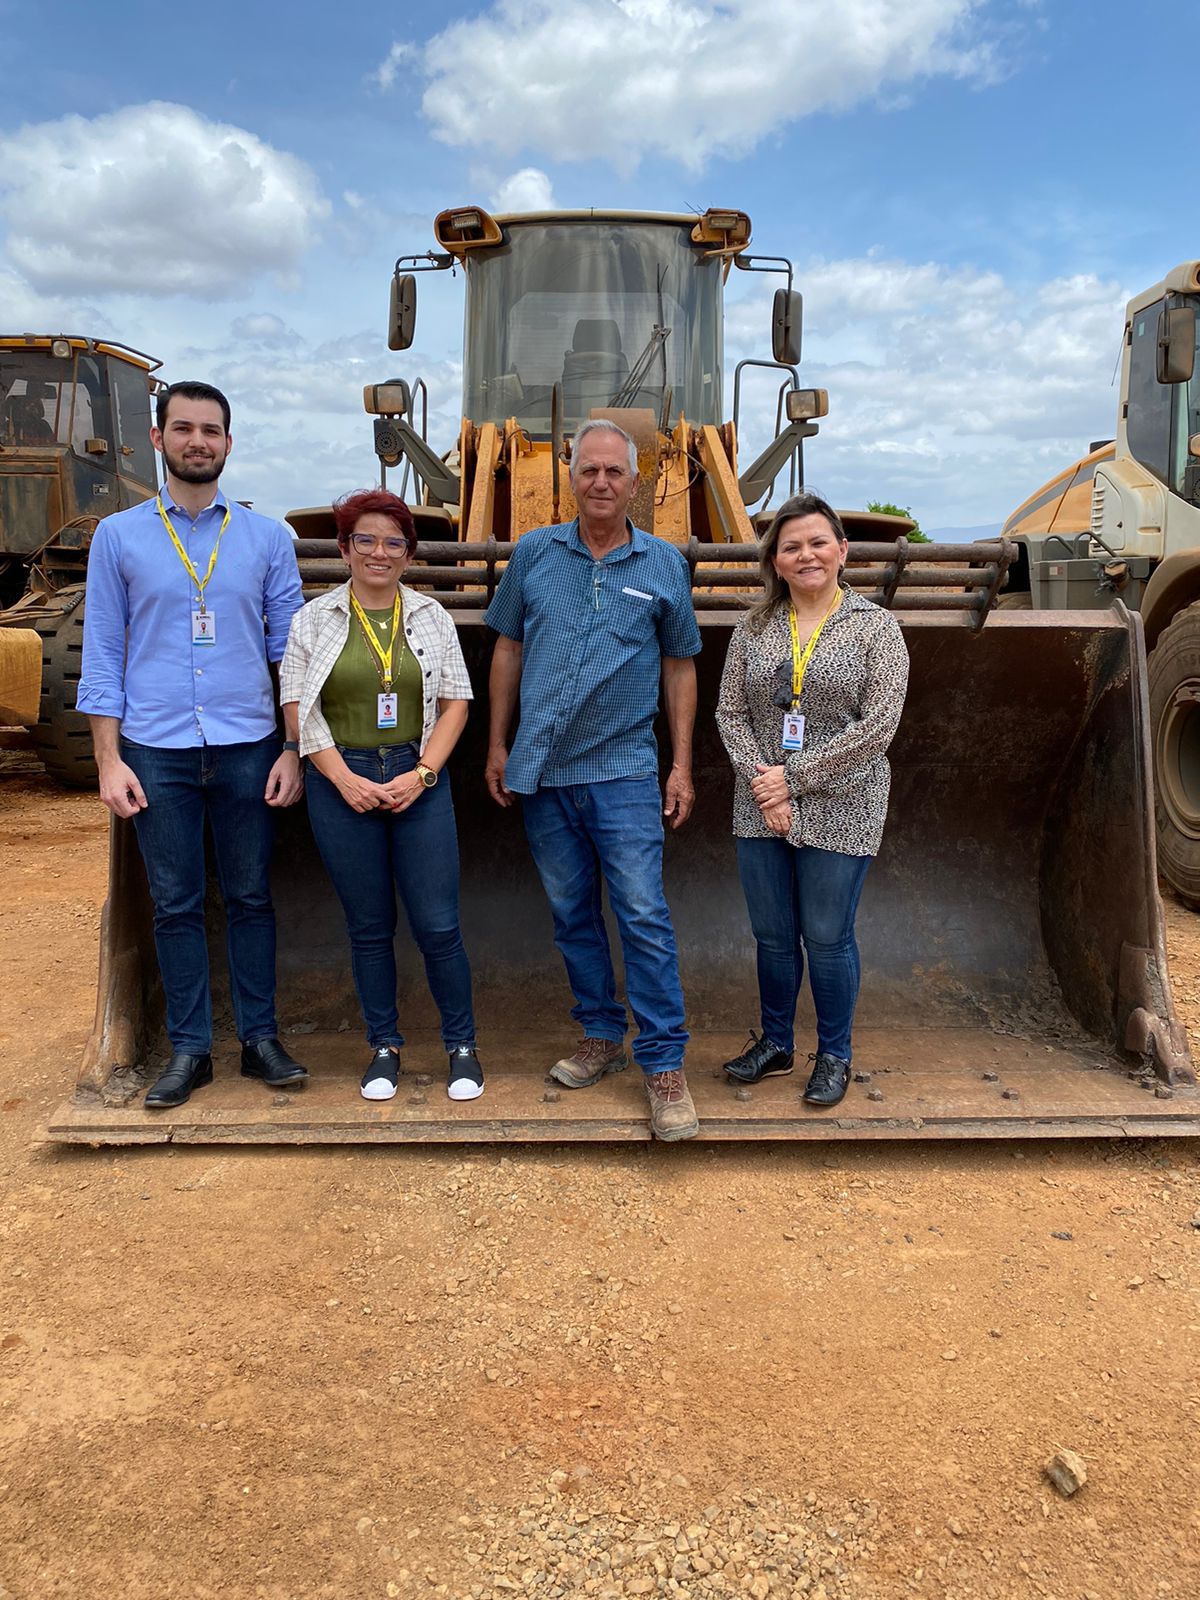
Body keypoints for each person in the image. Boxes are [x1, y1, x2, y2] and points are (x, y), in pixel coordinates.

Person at [77, 380, 307, 1109]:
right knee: (174, 905)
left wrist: (293, 748)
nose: (198, 441)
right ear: (159, 438)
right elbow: (104, 655)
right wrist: (109, 760)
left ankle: (261, 1041)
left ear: (229, 444)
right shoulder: (118, 537)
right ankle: (190, 1050)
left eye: (212, 430)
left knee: (250, 897)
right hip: (156, 749)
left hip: (248, 745)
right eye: (184, 428)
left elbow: (291, 654)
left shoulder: (267, 538)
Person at [484, 418, 702, 1141]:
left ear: (636, 483)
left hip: (627, 772)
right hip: (543, 774)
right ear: (570, 478)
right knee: (572, 915)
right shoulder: (534, 555)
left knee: (642, 914)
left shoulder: (665, 563)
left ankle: (664, 1063)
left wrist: (680, 763)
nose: (601, 482)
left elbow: (679, 666)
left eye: (615, 472)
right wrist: (497, 745)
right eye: (589, 470)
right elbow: (508, 650)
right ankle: (601, 1034)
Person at [279, 489, 482, 1104]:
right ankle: (385, 1046)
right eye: (364, 540)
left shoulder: (431, 617)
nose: (379, 552)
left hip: (416, 778)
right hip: (341, 778)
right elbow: (297, 708)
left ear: (409, 555)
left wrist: (422, 775)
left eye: (393, 542)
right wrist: (342, 779)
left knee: (439, 925)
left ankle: (462, 1046)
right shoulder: (313, 619)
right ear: (343, 549)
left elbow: (455, 703)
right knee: (369, 927)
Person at [716, 491, 909, 1107]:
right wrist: (762, 781)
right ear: (775, 560)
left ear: (842, 551)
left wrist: (791, 780)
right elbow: (730, 713)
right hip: (759, 798)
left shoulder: (876, 625)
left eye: (818, 543)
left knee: (826, 935)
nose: (806, 555)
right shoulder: (754, 627)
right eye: (791, 546)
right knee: (772, 935)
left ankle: (834, 1054)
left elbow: (878, 725)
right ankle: (776, 1043)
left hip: (843, 799)